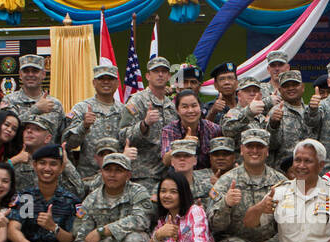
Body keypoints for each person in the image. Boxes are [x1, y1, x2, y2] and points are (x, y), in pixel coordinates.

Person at [206, 128, 287, 242]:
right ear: (241, 150)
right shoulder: (226, 182)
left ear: (267, 151)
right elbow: (213, 226)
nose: (255, 151)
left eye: (260, 147)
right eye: (250, 146)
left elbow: (291, 225)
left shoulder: (281, 182)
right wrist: (226, 204)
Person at [121, 55, 178, 187]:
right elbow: (123, 136)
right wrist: (144, 124)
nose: (160, 75)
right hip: (143, 175)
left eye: (164, 71)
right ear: (148, 76)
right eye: (156, 71)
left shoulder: (171, 106)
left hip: (168, 175)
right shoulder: (137, 101)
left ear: (169, 76)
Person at [63, 61, 126, 180]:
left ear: (117, 83)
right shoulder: (81, 108)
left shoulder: (124, 111)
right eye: (101, 79)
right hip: (88, 178)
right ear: (94, 82)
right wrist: (84, 126)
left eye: (110, 79)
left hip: (116, 177)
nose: (106, 82)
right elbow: (68, 144)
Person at [11, 116, 85, 196]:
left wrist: (66, 164)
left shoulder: (56, 161)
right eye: (27, 128)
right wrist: (14, 161)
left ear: (47, 138)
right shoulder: (15, 159)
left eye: (37, 129)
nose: (29, 131)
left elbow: (79, 191)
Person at [1, 53, 65, 131]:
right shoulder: (9, 101)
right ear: (20, 75)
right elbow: (6, 130)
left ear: (43, 74)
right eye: (26, 71)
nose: (30, 74)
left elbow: (62, 137)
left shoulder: (55, 104)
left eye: (35, 71)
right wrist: (35, 109)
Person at [161, 90, 221, 168]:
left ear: (200, 107)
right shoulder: (169, 130)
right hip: (180, 175)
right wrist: (183, 144)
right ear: (177, 110)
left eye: (194, 106)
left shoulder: (213, 129)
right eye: (185, 107)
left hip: (207, 174)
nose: (190, 110)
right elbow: (166, 161)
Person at [263, 70, 314, 158]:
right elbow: (270, 146)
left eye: (295, 85)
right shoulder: (275, 111)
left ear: (302, 87)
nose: (291, 88)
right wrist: (273, 125)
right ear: (280, 90)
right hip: (284, 168)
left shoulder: (310, 111)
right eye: (286, 86)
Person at [220, 75, 269, 142]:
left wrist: (273, 124)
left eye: (255, 91)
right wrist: (249, 113)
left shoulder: (262, 117)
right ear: (239, 95)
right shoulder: (233, 113)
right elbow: (227, 131)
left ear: (260, 95)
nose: (252, 94)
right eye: (247, 91)